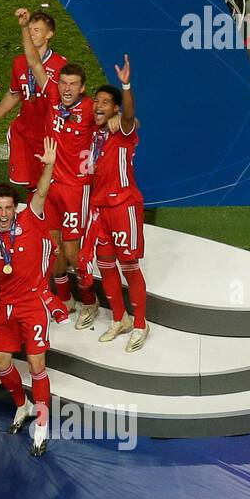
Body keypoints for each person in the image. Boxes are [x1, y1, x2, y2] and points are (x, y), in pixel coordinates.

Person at [19, 8, 97, 325]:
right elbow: (34, 62)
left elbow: (120, 122)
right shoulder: (51, 94)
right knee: (50, 249)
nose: (65, 89)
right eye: (63, 82)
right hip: (48, 184)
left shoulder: (92, 109)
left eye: (72, 84)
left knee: (71, 253)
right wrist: (24, 27)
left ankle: (88, 301)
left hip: (76, 188)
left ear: (82, 88)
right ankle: (63, 300)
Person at [0, 139, 59, 457]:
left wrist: (50, 165)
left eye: (7, 208)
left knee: (36, 363)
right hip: (5, 304)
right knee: (1, 362)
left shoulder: (29, 218)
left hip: (32, 305)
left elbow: (41, 193)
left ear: (15, 208)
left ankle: (42, 422)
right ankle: (23, 404)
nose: (3, 214)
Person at [82, 56, 150, 352]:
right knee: (106, 266)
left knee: (129, 266)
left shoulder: (122, 130)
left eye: (106, 103)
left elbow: (130, 115)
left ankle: (140, 324)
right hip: (100, 210)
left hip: (124, 206)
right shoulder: (94, 134)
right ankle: (119, 318)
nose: (98, 106)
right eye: (96, 101)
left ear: (115, 109)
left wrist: (125, 85)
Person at [0, 10, 68, 190]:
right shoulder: (19, 62)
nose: (32, 33)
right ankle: (34, 217)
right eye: (30, 29)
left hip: (50, 136)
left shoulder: (60, 65)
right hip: (25, 133)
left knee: (53, 185)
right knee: (32, 185)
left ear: (49, 34)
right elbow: (14, 93)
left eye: (37, 30)